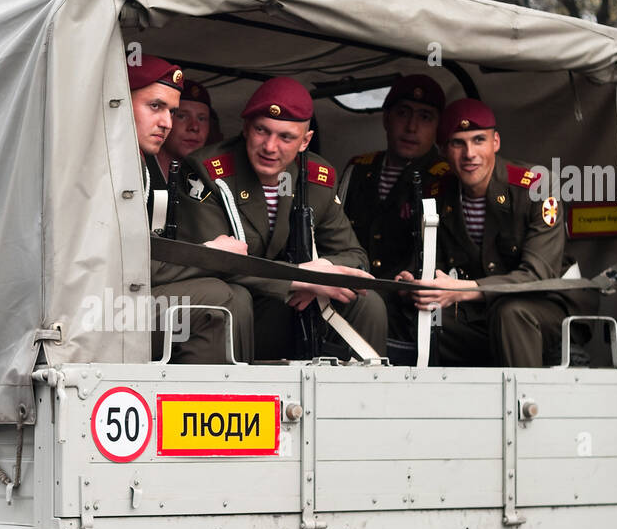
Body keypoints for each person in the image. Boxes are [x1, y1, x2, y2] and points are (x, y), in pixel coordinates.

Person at [179, 76, 386, 361]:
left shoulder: (317, 177)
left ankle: (361, 400)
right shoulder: (207, 170)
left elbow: (353, 255)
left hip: (296, 306)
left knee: (367, 301)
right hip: (242, 302)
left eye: (286, 137)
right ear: (245, 128)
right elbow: (209, 262)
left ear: (305, 141)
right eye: (262, 130)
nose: (270, 146)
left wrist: (323, 269)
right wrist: (300, 279)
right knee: (232, 299)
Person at [399, 97, 572, 367]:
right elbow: (438, 267)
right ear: (443, 149)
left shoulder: (537, 186)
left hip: (543, 304)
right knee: (412, 316)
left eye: (479, 140)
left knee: (510, 313)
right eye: (458, 143)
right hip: (476, 313)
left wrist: (463, 290)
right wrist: (416, 282)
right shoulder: (438, 194)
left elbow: (538, 277)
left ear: (496, 142)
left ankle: (525, 405)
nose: (470, 154)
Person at [128, 56, 254, 363]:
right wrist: (212, 253)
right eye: (155, 106)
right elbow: (129, 265)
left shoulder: (146, 167)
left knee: (237, 296)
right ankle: (206, 404)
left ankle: (235, 402)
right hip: (98, 309)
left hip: (132, 297)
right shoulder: (99, 166)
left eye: (171, 111)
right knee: (216, 297)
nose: (167, 123)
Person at [340, 74, 451, 363]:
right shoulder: (358, 169)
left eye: (425, 117)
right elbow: (335, 232)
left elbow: (450, 248)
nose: (411, 127)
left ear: (438, 128)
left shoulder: (445, 178)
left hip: (405, 299)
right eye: (403, 114)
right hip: (353, 286)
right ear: (386, 118)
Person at [155, 79, 213, 180]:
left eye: (202, 118)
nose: (194, 127)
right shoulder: (140, 170)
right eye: (182, 116)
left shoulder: (211, 180)